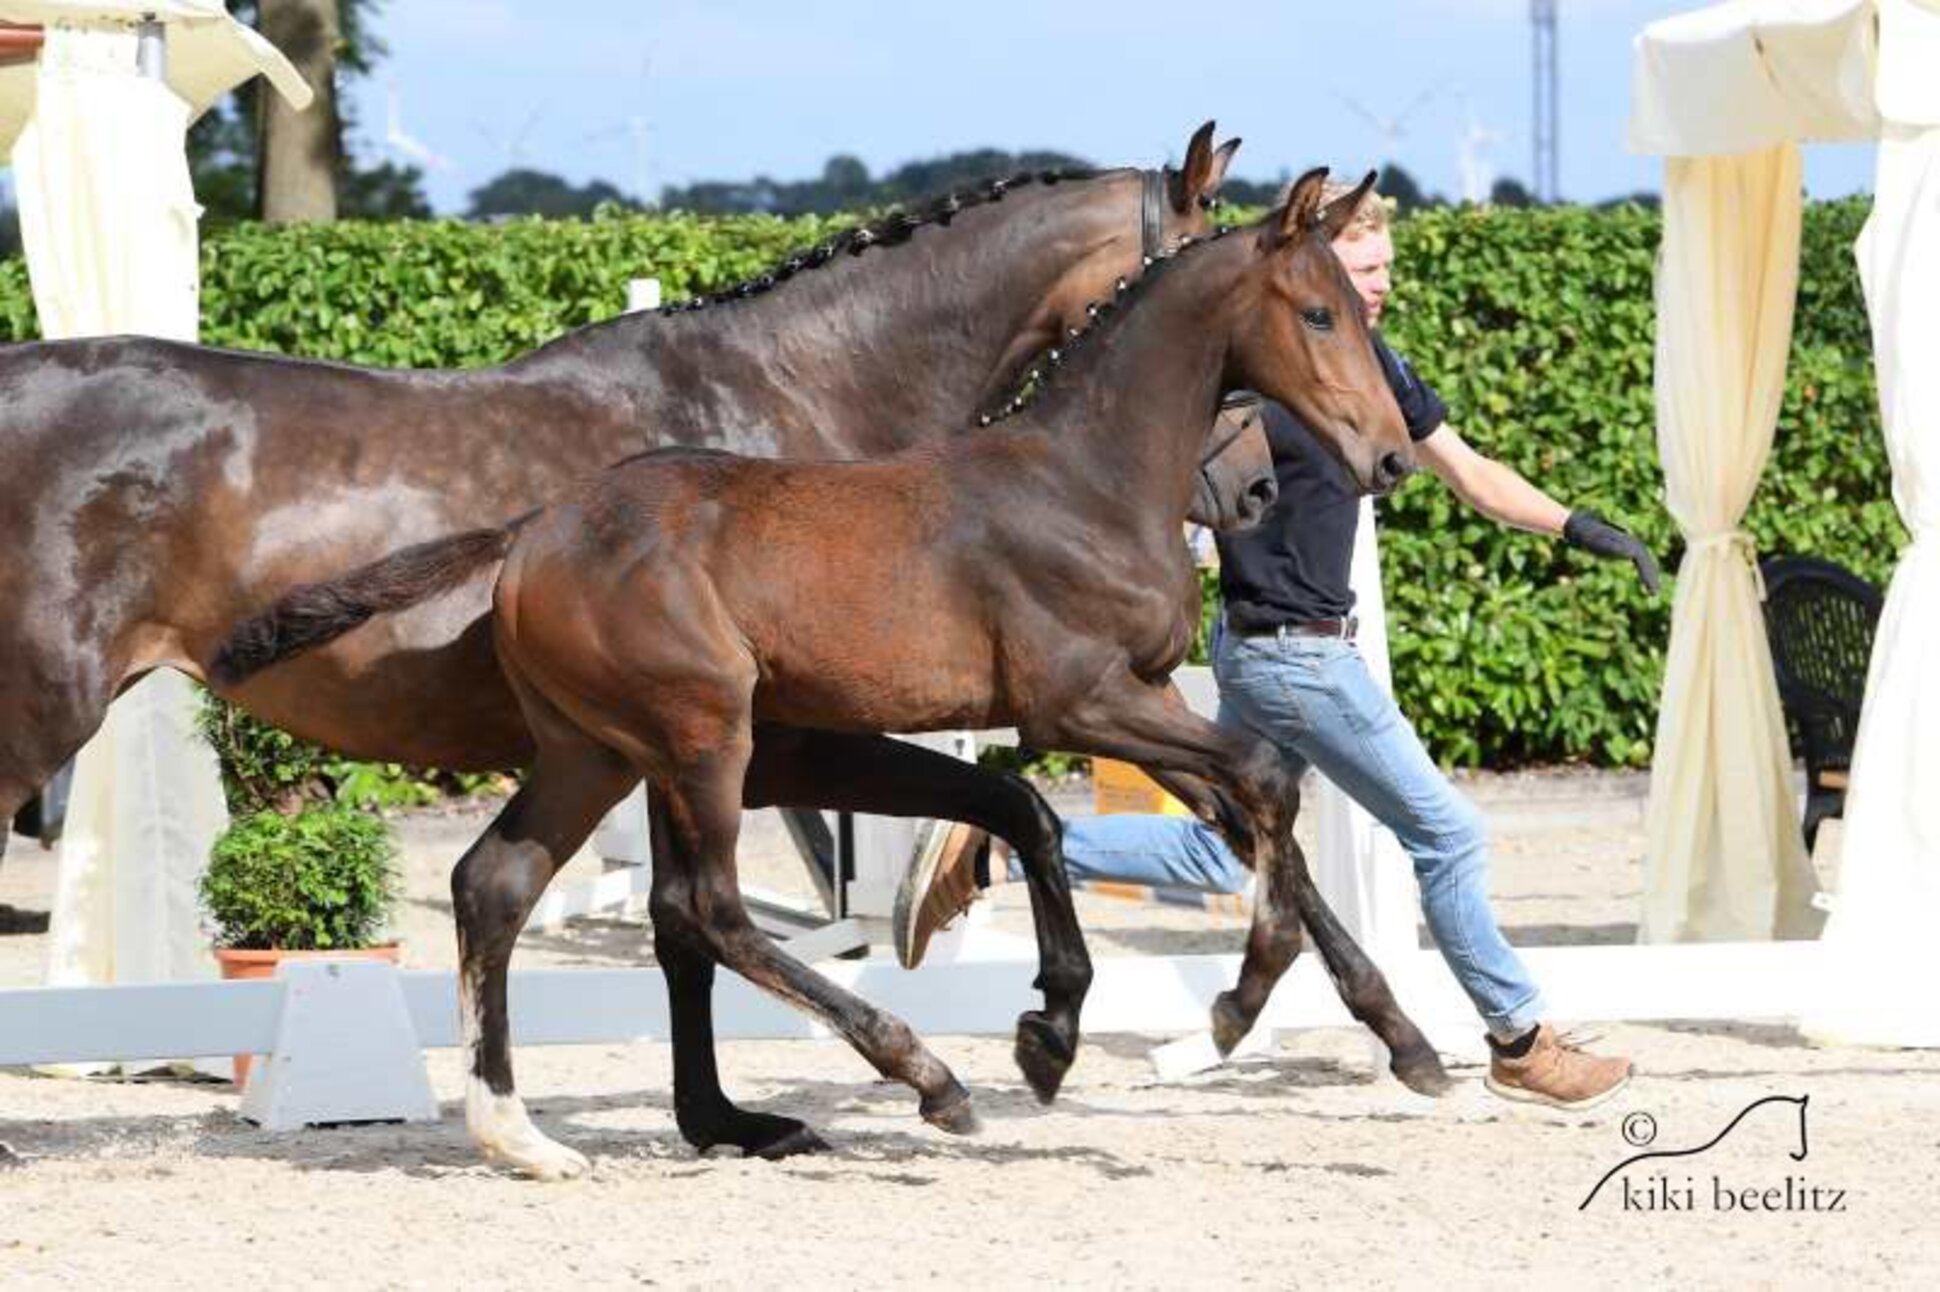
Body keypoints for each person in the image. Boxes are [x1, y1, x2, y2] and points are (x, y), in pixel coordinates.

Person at [894, 180, 1658, 1110]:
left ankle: (995, 853)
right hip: (1298, 656)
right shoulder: (1254, 370)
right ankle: (1519, 1036)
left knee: (1228, 852)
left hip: (1274, 649)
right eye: (1357, 269)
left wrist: (1579, 528)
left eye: (1380, 270)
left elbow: (1468, 474)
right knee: (1447, 834)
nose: (1372, 288)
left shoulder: (1372, 370)